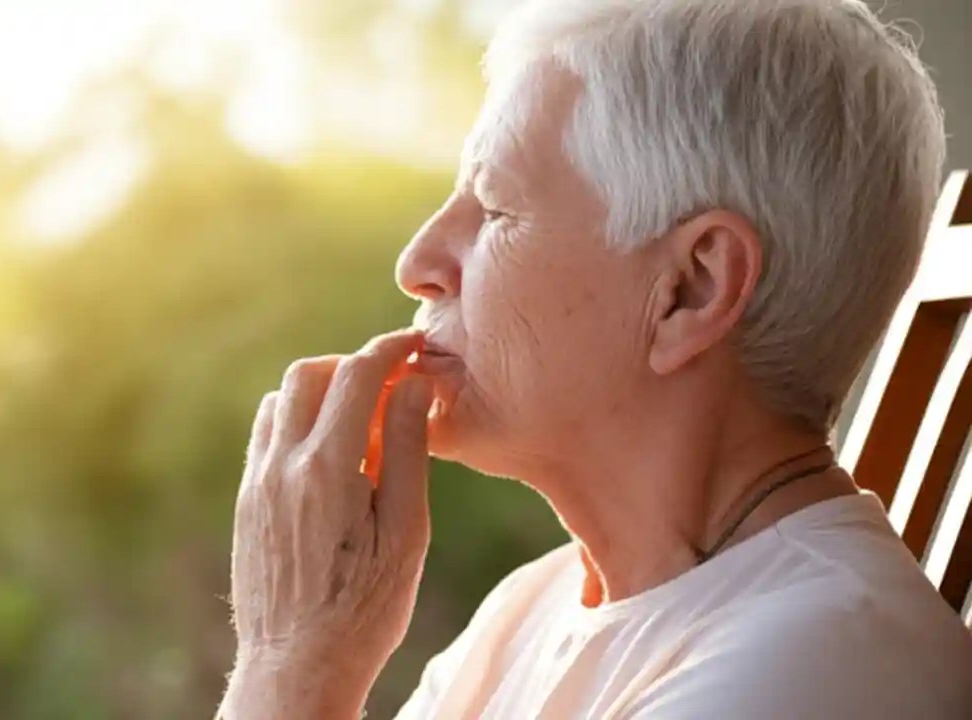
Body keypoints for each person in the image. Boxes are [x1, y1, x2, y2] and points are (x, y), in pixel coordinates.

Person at [217, 0, 972, 717]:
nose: (417, 263)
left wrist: (293, 666)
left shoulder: (812, 672)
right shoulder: (531, 609)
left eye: (496, 208)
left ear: (689, 289)